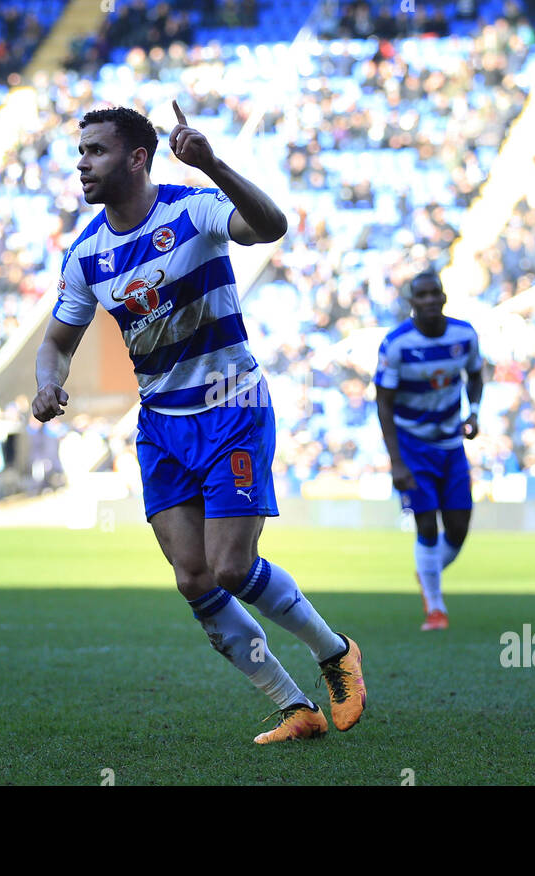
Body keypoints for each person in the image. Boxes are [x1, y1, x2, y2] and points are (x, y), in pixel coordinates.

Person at [32, 104, 365, 743]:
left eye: (97, 151)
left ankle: (335, 653)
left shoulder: (195, 210)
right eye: (81, 152)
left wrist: (212, 161)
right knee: (193, 576)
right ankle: (295, 708)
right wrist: (50, 380)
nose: (82, 163)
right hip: (161, 423)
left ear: (138, 158)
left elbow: (271, 226)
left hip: (231, 405)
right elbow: (57, 340)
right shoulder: (87, 254)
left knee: (233, 567)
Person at [375, 269, 484, 631]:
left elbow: (476, 375)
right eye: (420, 295)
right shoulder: (396, 344)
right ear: (410, 303)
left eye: (434, 293)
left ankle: (428, 574)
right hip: (411, 445)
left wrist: (474, 412)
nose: (429, 300)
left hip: (450, 443)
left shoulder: (464, 335)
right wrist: (396, 461)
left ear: (444, 296)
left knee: (458, 528)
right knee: (426, 524)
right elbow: (384, 403)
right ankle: (436, 609)